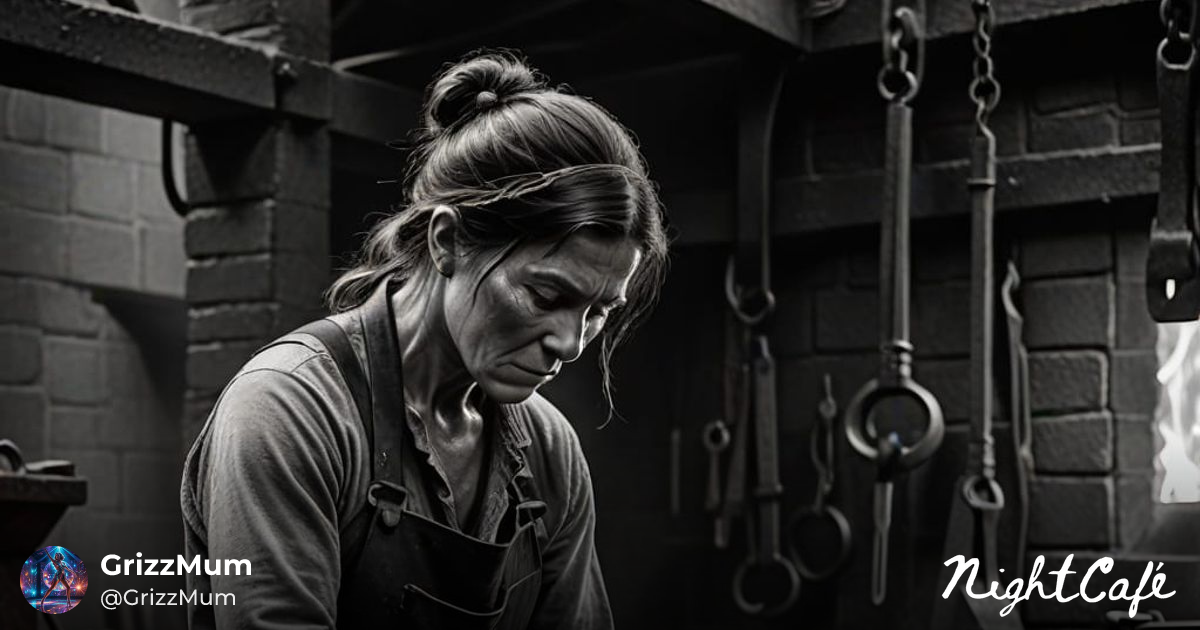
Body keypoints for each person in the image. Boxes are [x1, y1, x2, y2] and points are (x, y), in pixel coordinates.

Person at [180, 49, 669, 630]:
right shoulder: (290, 411)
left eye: (598, 312)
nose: (571, 343)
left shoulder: (549, 452)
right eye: (545, 296)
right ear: (447, 242)